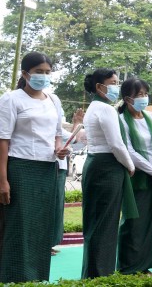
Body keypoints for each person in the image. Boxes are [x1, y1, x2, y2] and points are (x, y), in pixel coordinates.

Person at [0, 52, 68, 283]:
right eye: (39, 71)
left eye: (48, 72)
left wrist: (60, 149)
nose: (44, 76)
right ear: (25, 73)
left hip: (48, 169)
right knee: (19, 225)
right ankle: (14, 276)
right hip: (20, 168)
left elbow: (57, 135)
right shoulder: (12, 99)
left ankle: (36, 277)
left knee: (41, 226)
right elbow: (3, 140)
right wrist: (2, 179)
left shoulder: (54, 100)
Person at [80, 68, 137, 278]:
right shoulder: (106, 109)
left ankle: (92, 273)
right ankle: (100, 275)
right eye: (112, 82)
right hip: (107, 166)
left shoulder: (93, 107)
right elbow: (116, 144)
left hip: (95, 164)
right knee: (106, 225)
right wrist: (130, 166)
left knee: (95, 223)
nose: (116, 86)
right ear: (99, 87)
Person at [116, 78, 152, 274]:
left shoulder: (149, 118)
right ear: (127, 98)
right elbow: (128, 150)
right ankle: (128, 267)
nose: (144, 98)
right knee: (133, 222)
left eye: (146, 94)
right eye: (139, 95)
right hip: (137, 177)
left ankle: (144, 265)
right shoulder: (121, 120)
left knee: (150, 222)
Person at [53, 109, 85, 256]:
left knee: (57, 207)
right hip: (47, 168)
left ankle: (50, 242)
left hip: (60, 169)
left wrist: (77, 123)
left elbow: (74, 140)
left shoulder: (57, 128)